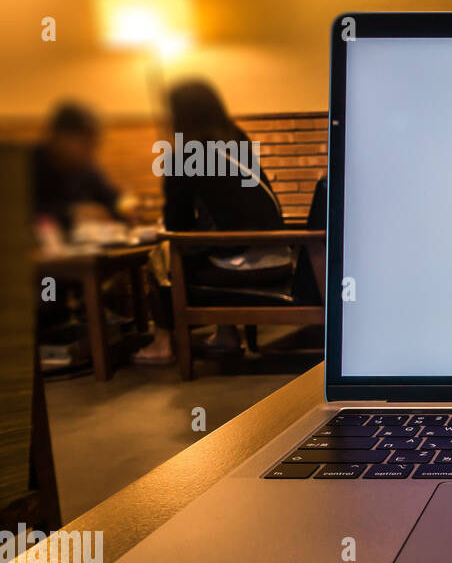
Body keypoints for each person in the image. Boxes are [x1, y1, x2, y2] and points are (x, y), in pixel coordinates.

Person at [133, 80, 288, 364]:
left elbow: (175, 225)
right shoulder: (237, 139)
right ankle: (226, 335)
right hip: (281, 258)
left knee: (162, 257)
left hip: (241, 265)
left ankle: (163, 341)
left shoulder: (184, 154)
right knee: (211, 246)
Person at [30, 102, 123, 236]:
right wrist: (71, 214)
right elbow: (25, 215)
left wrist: (126, 207)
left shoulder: (86, 168)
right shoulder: (27, 166)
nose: (91, 151)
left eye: (94, 143)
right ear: (59, 137)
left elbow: (114, 201)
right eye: (86, 142)